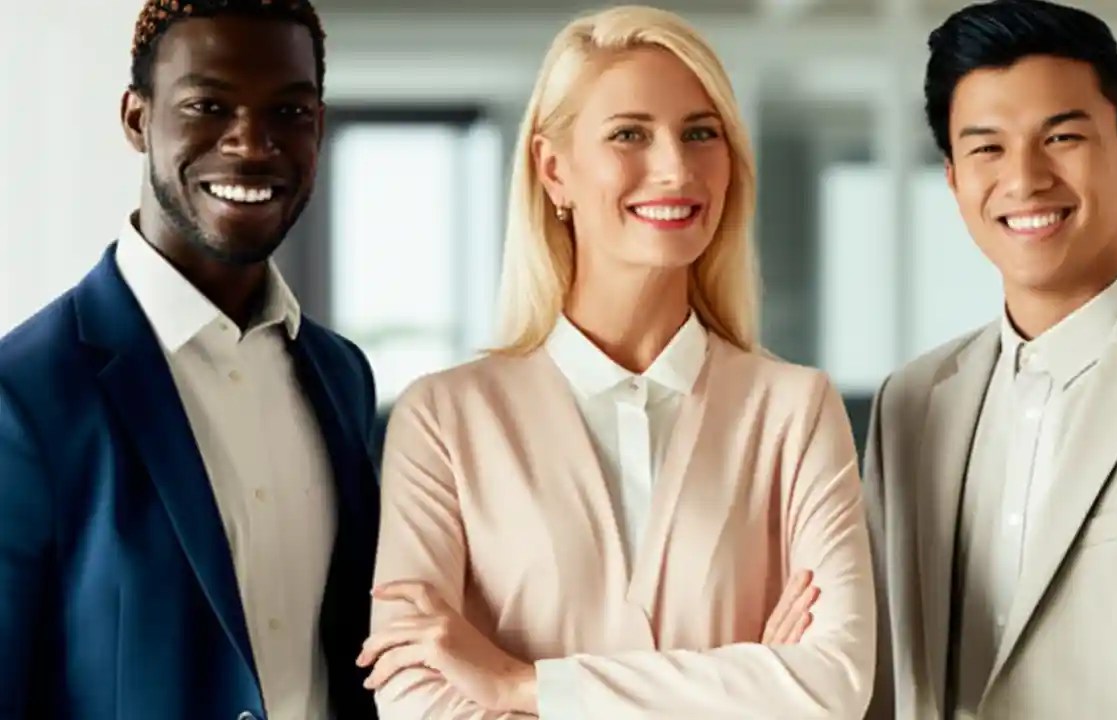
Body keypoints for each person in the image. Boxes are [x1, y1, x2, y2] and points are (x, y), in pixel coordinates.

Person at [355, 5, 875, 718]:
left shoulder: (793, 410)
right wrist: (743, 684)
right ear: (553, 168)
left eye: (701, 134)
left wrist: (522, 684)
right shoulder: (446, 419)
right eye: (630, 134)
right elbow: (415, 697)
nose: (675, 167)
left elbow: (830, 685)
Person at [863, 1, 1117, 718]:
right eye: (987, 148)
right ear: (953, 180)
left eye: (1061, 137)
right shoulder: (911, 403)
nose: (1024, 179)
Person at [0, 1, 381, 718]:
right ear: (137, 119)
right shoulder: (22, 395)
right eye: (208, 105)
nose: (251, 144)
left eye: (290, 112)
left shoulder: (342, 375)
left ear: (320, 128)